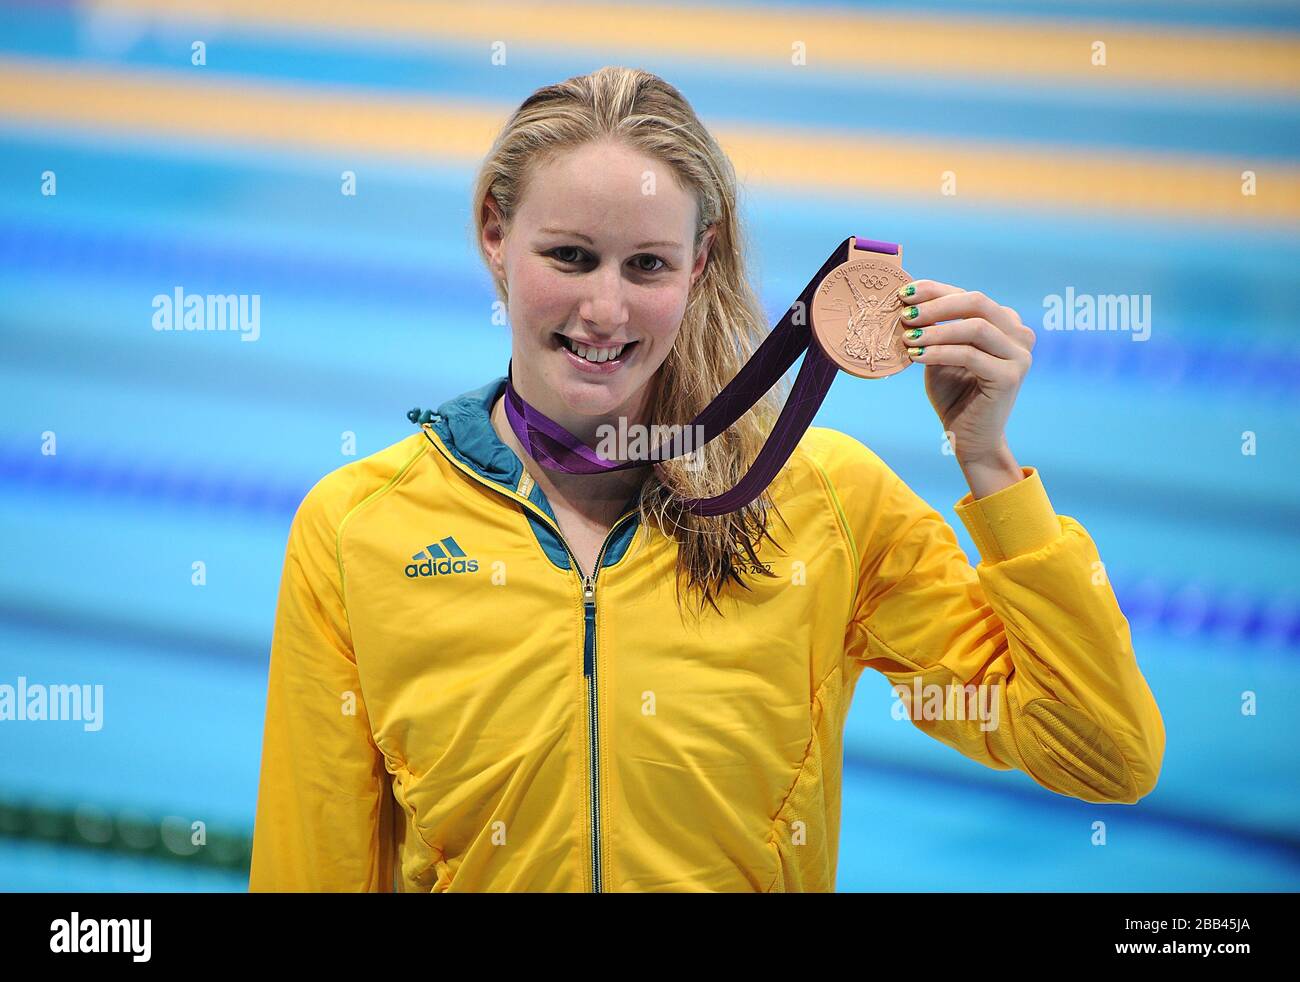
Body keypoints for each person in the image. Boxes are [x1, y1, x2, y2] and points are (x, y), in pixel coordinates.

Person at [248, 66, 1164, 893]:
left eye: (646, 265)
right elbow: (310, 869)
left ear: (702, 260)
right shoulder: (359, 527)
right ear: (495, 233)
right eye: (569, 256)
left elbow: (1105, 753)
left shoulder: (828, 506)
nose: (604, 309)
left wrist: (992, 471)